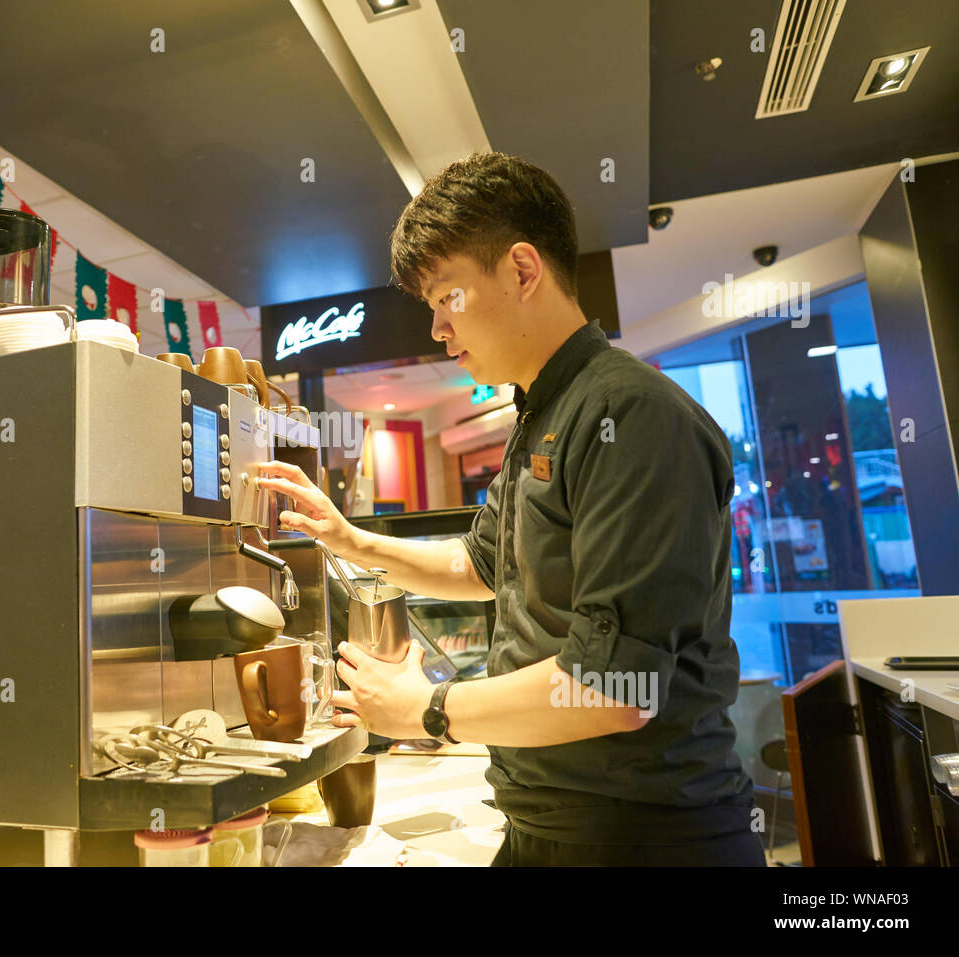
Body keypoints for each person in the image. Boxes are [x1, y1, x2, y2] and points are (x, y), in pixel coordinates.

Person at [257, 152, 764, 866]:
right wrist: (350, 539)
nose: (436, 327)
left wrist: (427, 709)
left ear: (523, 269)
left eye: (446, 296)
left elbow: (616, 687)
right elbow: (481, 562)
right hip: (546, 825)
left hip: (642, 839)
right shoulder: (543, 414)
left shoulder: (631, 414)